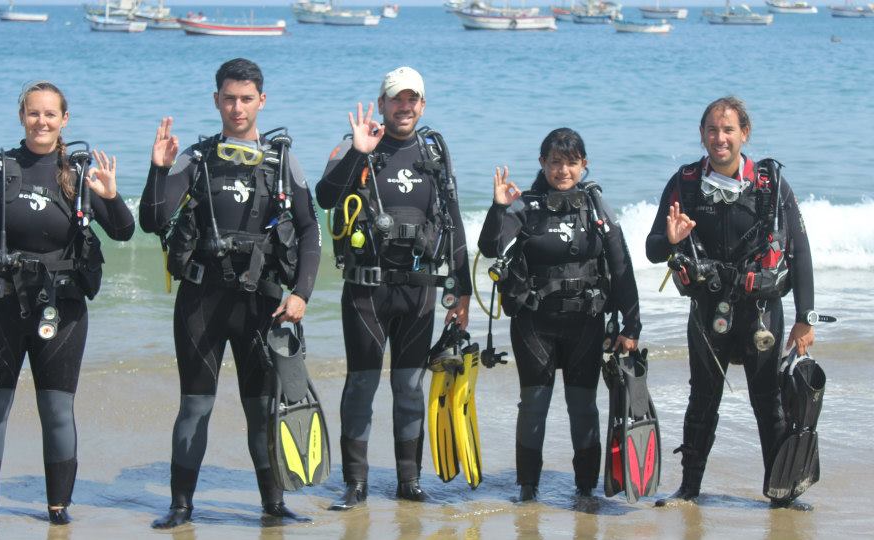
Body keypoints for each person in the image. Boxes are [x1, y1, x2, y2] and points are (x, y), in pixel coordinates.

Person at [0, 81, 135, 534]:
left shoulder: (79, 175)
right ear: (21, 116)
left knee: (57, 410)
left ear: (65, 119)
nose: (41, 122)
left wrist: (110, 195)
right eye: (33, 113)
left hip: (62, 312)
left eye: (50, 114)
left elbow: (124, 232)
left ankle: (58, 510)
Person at [139, 58, 321, 527]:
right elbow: (152, 220)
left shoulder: (282, 162)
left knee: (261, 408)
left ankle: (273, 506)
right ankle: (181, 507)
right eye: (229, 98)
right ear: (216, 100)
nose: (237, 108)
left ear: (262, 101)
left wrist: (300, 293)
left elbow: (309, 229)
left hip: (262, 301)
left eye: (246, 99)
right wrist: (158, 169)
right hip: (202, 300)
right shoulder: (196, 158)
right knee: (195, 405)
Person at [645, 96, 815, 506]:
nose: (719, 138)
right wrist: (670, 239)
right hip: (708, 310)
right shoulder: (686, 183)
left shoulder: (770, 184)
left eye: (728, 130)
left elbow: (800, 251)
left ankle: (781, 495)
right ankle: (688, 490)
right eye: (712, 130)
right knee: (702, 399)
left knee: (769, 402)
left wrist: (805, 318)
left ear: (744, 134)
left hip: (760, 312)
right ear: (702, 134)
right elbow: (652, 249)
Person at [315, 66, 472, 509]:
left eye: (412, 99)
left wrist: (462, 292)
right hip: (366, 291)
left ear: (422, 105)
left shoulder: (434, 154)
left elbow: (454, 223)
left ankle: (409, 482)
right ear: (382, 103)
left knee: (409, 388)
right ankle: (355, 483)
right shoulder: (357, 147)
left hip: (419, 293)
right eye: (396, 99)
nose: (405, 107)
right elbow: (325, 198)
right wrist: (358, 152)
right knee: (361, 387)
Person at [477, 127, 642, 501]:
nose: (563, 170)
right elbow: (489, 247)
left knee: (582, 407)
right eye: (555, 162)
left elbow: (621, 266)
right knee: (533, 405)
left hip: (585, 323)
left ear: (584, 164)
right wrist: (499, 207)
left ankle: (586, 489)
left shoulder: (596, 207)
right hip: (534, 324)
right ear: (542, 163)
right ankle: (527, 489)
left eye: (571, 162)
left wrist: (632, 325)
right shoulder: (526, 206)